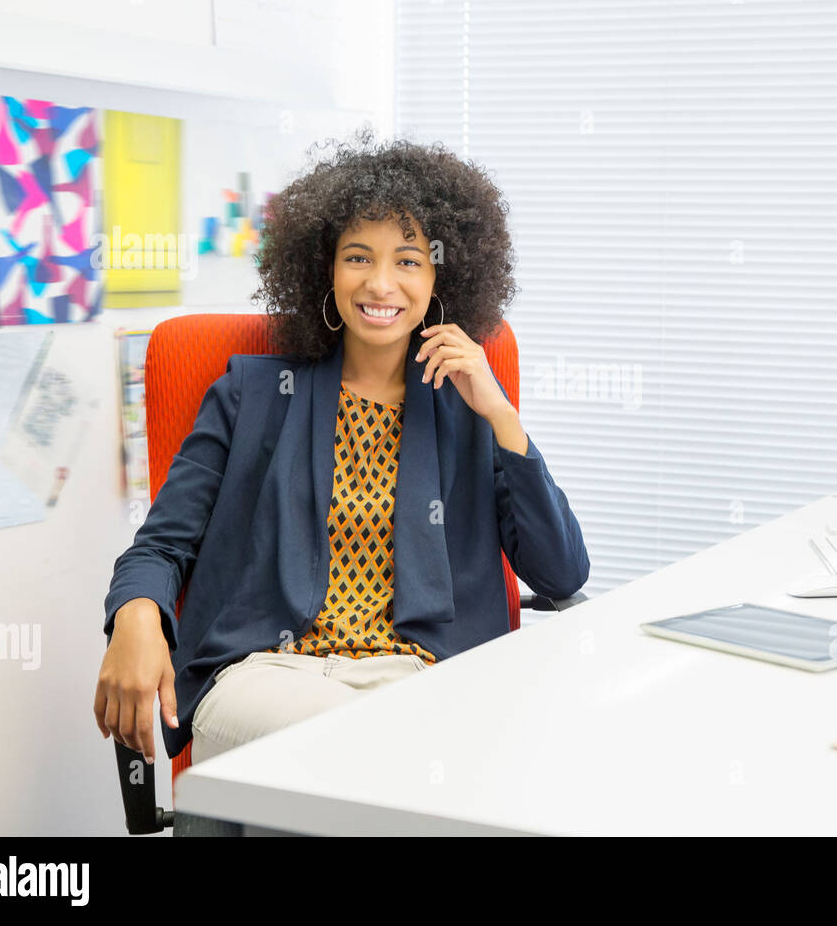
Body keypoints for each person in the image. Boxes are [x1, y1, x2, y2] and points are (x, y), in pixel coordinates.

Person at [93, 128, 590, 769]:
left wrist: (498, 412)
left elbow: (562, 574)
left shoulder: (468, 409)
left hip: (419, 680)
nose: (381, 283)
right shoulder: (251, 393)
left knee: (384, 753)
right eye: (359, 256)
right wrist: (135, 614)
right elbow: (160, 545)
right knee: (378, 753)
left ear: (442, 276)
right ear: (324, 269)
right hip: (265, 678)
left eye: (408, 260)